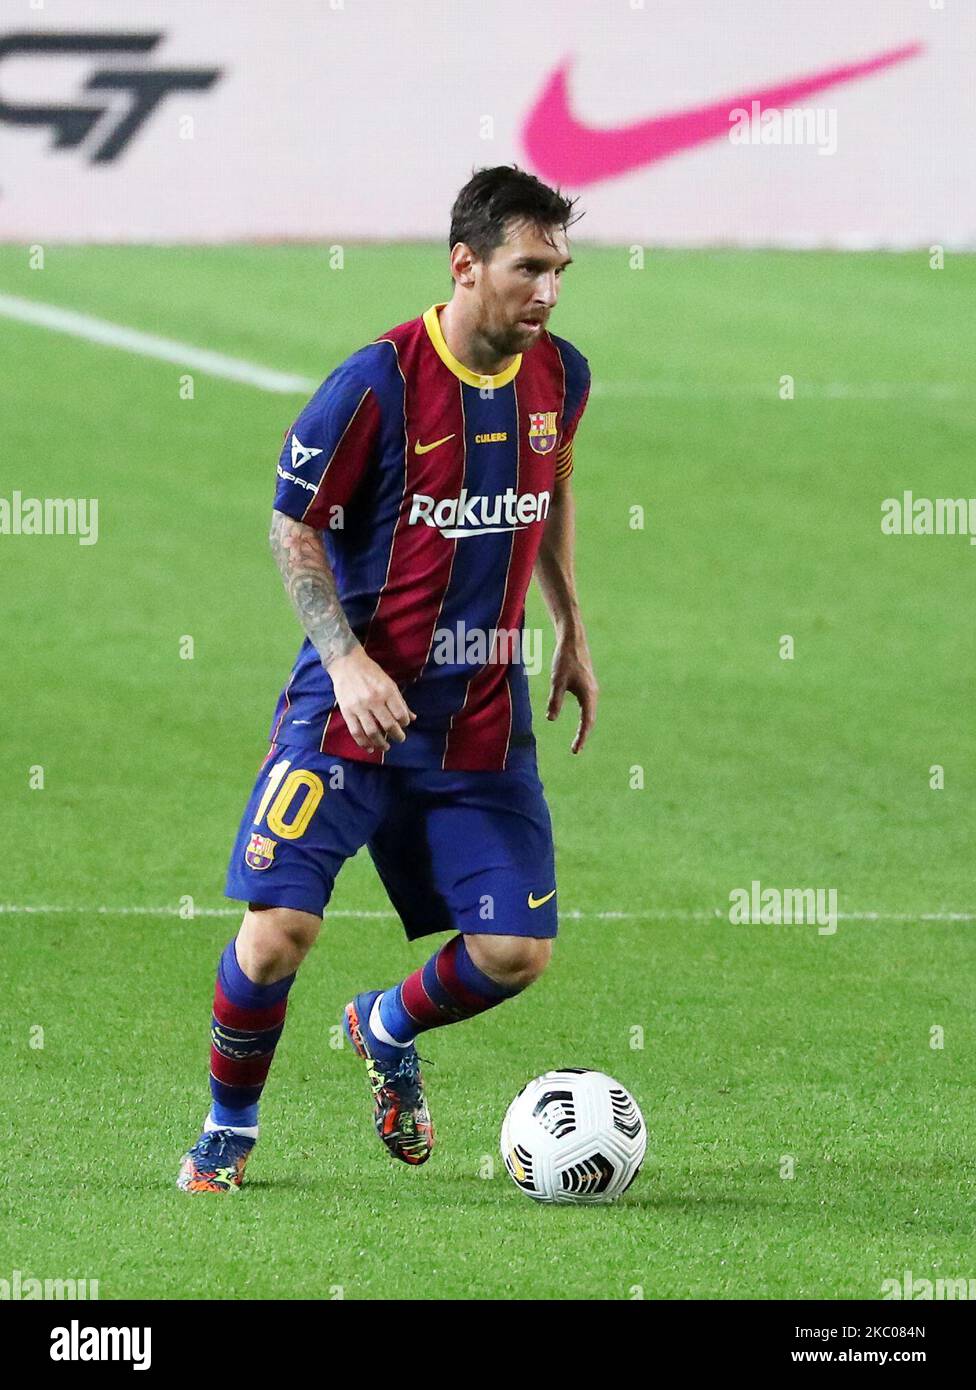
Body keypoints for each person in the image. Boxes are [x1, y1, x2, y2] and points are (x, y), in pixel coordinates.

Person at [178, 165, 597, 1192]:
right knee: (277, 933)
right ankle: (229, 1129)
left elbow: (550, 490)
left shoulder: (562, 376)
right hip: (352, 709)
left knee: (513, 951)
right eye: (527, 268)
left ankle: (383, 1023)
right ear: (465, 264)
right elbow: (293, 522)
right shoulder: (377, 382)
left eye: (561, 271)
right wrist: (345, 657)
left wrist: (571, 620)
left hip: (480, 719)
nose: (547, 292)